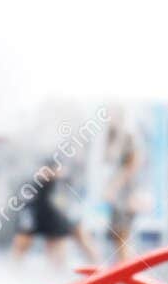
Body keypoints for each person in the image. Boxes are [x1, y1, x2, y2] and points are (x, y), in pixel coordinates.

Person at [11, 160, 99, 267]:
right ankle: (15, 268)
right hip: (37, 210)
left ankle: (97, 264)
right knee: (23, 242)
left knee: (63, 244)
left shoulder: (63, 183)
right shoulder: (34, 187)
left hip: (56, 213)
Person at [101, 106, 146, 262]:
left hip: (126, 193)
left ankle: (127, 267)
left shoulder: (128, 135)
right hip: (119, 195)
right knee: (118, 233)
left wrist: (114, 187)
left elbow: (133, 163)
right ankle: (123, 265)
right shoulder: (112, 137)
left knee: (123, 233)